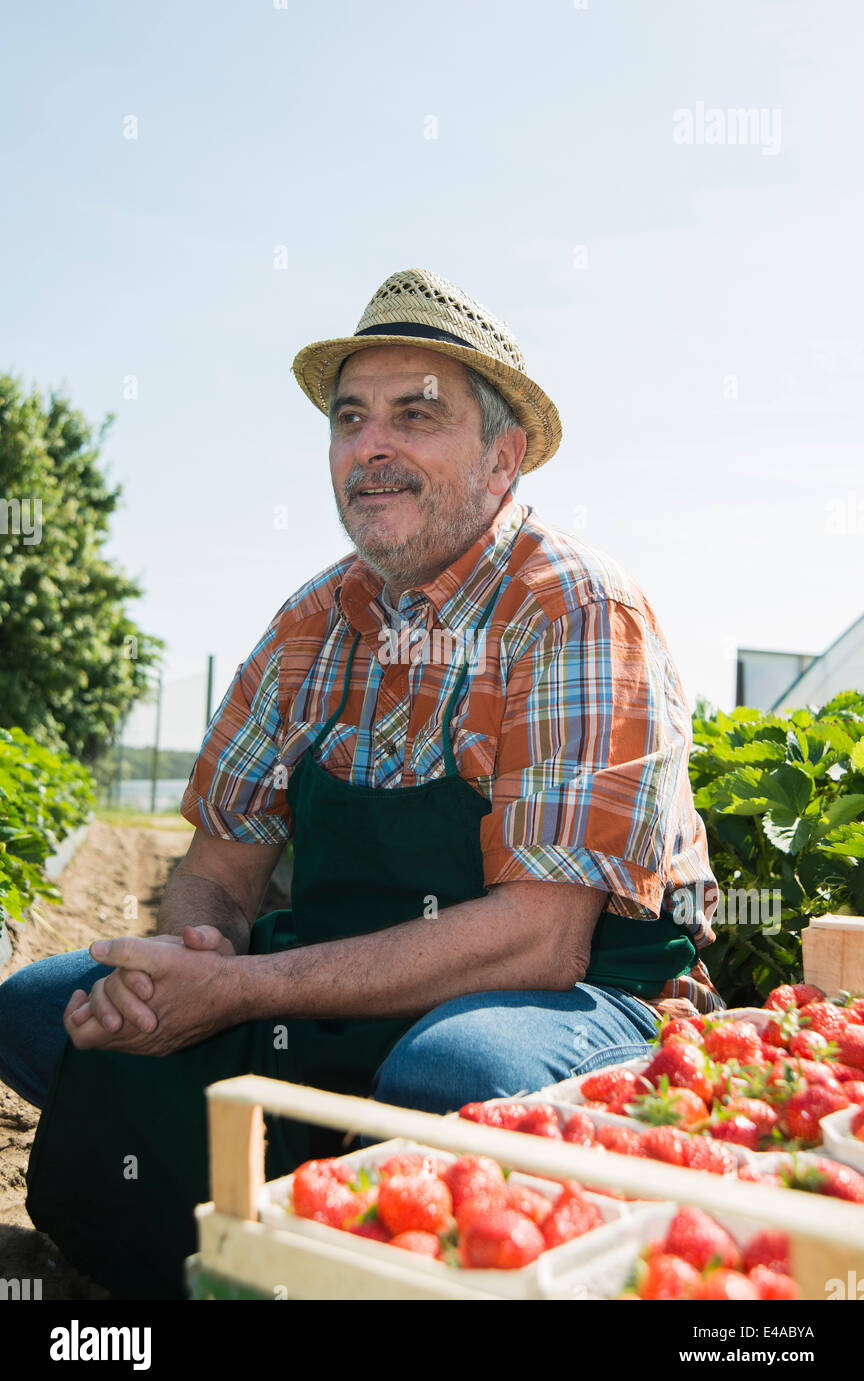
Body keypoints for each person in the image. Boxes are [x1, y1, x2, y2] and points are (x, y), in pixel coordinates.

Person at [0, 267, 721, 1298]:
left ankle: (379, 1205)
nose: (370, 446)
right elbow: (219, 862)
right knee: (37, 1008)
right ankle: (313, 1203)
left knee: (455, 1077)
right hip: (346, 982)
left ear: (501, 457)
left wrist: (238, 992)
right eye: (351, 418)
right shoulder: (311, 624)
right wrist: (196, 945)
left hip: (570, 992)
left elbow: (541, 936)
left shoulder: (574, 609)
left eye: (415, 414)